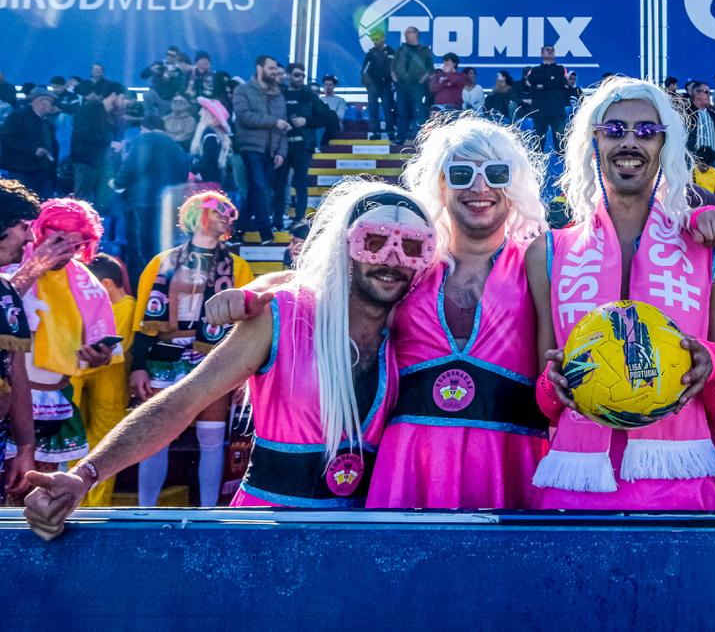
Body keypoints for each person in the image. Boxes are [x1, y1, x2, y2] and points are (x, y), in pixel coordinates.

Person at [22, 181, 434, 538]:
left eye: (411, 246)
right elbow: (180, 402)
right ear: (345, 246)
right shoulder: (281, 317)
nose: (392, 259)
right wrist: (83, 476)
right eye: (374, 241)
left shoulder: (415, 327)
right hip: (266, 532)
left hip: (363, 534)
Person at [525, 76, 715, 510]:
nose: (630, 142)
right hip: (577, 488)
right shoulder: (548, 252)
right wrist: (556, 385)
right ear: (593, 141)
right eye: (614, 129)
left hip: (680, 488)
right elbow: (546, 404)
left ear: (665, 145)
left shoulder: (712, 253)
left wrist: (710, 368)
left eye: (646, 131)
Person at [357, 116, 551, 509]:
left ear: (513, 183)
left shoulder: (543, 262)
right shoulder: (407, 264)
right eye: (462, 173)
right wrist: (263, 288)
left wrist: (702, 215)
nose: (480, 187)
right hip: (409, 470)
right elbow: (328, 293)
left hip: (513, 469)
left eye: (495, 173)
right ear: (441, 184)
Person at [127, 191, 253, 507]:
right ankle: (146, 512)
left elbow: (248, 326)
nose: (228, 217)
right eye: (221, 211)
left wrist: (242, 374)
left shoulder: (237, 267)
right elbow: (144, 317)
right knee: (156, 437)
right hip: (164, 356)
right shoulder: (162, 262)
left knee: (211, 440)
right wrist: (137, 365)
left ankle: (208, 512)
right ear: (199, 214)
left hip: (215, 360)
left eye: (230, 213)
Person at [3, 199, 116, 474]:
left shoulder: (88, 283)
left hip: (57, 404)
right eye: (60, 242)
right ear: (39, 230)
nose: (67, 253)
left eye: (76, 246)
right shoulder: (9, 259)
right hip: (8, 408)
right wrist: (34, 269)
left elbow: (103, 346)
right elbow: (2, 309)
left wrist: (100, 357)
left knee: (46, 499)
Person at [73, 253, 135, 507]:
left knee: (103, 445)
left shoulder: (127, 306)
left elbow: (115, 348)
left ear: (107, 284)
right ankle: (76, 502)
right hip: (84, 379)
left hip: (110, 383)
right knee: (77, 441)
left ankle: (96, 506)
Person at [0, 179, 39, 505]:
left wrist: (25, 446)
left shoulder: (8, 291)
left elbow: (16, 373)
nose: (29, 237)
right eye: (23, 227)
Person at [117, 115, 191, 280]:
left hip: (143, 204)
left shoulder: (145, 138)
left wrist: (116, 182)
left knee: (141, 254)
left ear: (144, 128)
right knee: (164, 254)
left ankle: (144, 298)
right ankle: (162, 296)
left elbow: (132, 167)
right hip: (171, 208)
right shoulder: (179, 149)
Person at [232, 55, 289, 243]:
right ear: (259, 68)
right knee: (259, 188)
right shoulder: (243, 90)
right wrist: (273, 121)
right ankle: (266, 234)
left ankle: (236, 234)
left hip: (271, 150)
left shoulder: (278, 94)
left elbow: (283, 127)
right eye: (271, 68)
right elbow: (244, 116)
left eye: (276, 69)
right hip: (250, 147)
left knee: (254, 192)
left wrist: (281, 151)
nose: (275, 72)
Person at [276, 63, 329, 231]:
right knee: (279, 183)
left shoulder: (310, 95)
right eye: (297, 75)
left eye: (303, 76)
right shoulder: (280, 93)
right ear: (288, 75)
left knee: (300, 183)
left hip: (303, 144)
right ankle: (277, 220)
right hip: (282, 144)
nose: (300, 78)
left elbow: (324, 118)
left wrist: (306, 121)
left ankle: (299, 219)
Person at [71, 81, 126, 212]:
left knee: (104, 202)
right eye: (123, 97)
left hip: (105, 163)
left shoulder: (113, 116)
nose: (126, 102)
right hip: (86, 162)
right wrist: (109, 142)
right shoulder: (87, 110)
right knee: (81, 201)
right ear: (113, 95)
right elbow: (82, 134)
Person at [0, 87, 58, 199]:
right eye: (52, 101)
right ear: (40, 101)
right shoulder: (18, 116)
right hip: (22, 170)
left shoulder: (47, 122)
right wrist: (33, 149)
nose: (53, 105)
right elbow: (6, 137)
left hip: (43, 171)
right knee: (22, 203)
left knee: (44, 203)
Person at [391, 26, 434, 142]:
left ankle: (418, 138)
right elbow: (393, 66)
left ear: (416, 34)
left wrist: (421, 80)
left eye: (408, 32)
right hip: (401, 84)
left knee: (418, 110)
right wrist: (395, 80)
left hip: (417, 85)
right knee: (401, 110)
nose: (406, 35)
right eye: (405, 33)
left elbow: (430, 68)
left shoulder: (424, 50)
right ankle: (400, 137)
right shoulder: (400, 49)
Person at [526, 46, 568, 153]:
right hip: (540, 111)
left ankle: (563, 166)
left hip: (557, 110)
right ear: (541, 54)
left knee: (560, 141)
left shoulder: (560, 69)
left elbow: (561, 81)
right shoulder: (535, 70)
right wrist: (551, 80)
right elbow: (533, 80)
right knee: (538, 141)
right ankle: (535, 165)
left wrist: (543, 84)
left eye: (552, 50)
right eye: (547, 50)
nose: (550, 52)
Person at [190, 97, 234, 188]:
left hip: (206, 180)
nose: (199, 115)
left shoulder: (209, 133)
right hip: (214, 180)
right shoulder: (217, 134)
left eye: (202, 115)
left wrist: (196, 171)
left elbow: (209, 157)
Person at [361, 30, 395, 138]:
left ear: (383, 38)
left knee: (387, 108)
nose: (375, 42)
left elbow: (395, 70)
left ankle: (390, 130)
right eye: (373, 39)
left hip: (386, 86)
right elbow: (364, 71)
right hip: (373, 87)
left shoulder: (391, 53)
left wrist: (393, 83)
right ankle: (376, 131)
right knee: (373, 109)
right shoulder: (370, 54)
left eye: (377, 39)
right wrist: (369, 84)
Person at [687, 82, 715, 161]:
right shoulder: (685, 114)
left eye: (709, 92)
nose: (709, 95)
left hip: (713, 162)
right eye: (705, 92)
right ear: (696, 94)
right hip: (692, 163)